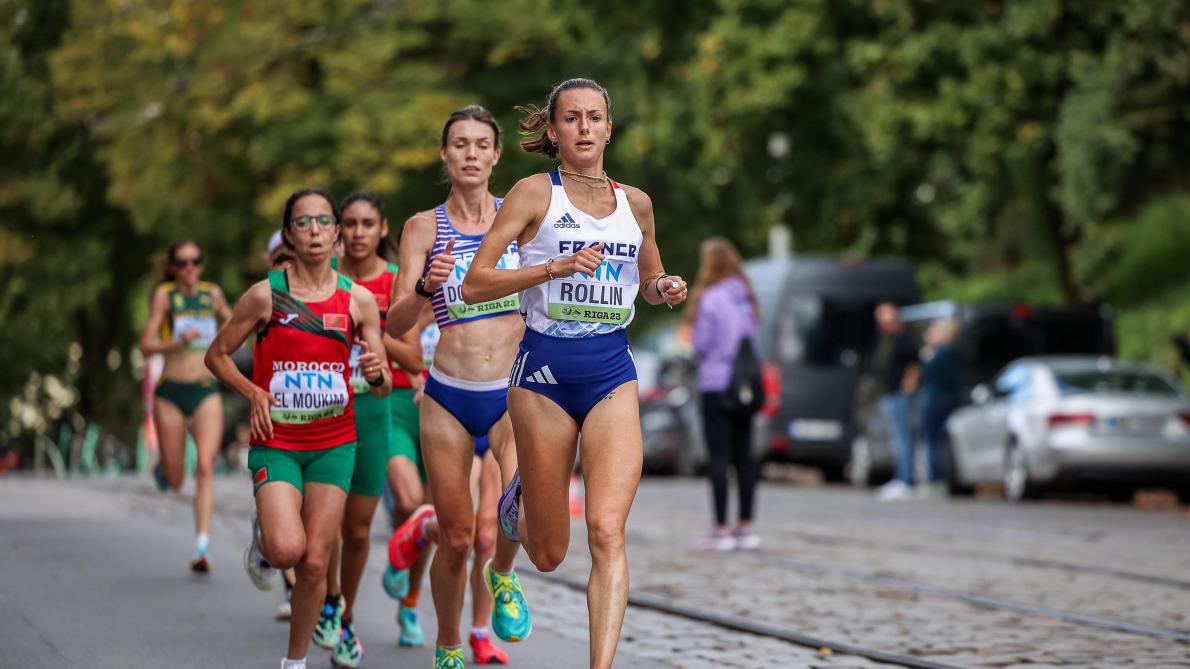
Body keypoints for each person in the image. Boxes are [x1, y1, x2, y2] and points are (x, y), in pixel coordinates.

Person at [461, 78, 688, 669]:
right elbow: (476, 281)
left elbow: (648, 278)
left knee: (608, 531)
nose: (584, 127)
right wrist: (551, 267)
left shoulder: (635, 203)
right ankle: (516, 504)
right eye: (571, 118)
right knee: (548, 553)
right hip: (544, 375)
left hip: (612, 369)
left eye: (594, 117)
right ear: (554, 130)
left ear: (609, 128)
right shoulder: (535, 194)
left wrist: (664, 289)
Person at [205, 188, 392, 669]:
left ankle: (295, 662)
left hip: (335, 442)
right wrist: (253, 393)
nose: (314, 231)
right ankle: (265, 536)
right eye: (303, 223)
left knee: (314, 561)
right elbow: (217, 355)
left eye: (323, 222)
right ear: (289, 235)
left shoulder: (360, 301)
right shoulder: (266, 294)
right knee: (288, 549)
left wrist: (375, 372)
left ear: (336, 235)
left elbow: (384, 381)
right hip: (278, 442)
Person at [385, 106, 526, 668]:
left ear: (496, 156)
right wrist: (424, 287)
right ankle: (448, 645)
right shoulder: (423, 227)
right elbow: (395, 324)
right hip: (448, 396)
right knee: (459, 537)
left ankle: (506, 578)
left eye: (481, 144)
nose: (470, 154)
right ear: (445, 155)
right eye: (459, 144)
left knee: (521, 510)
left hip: (511, 393)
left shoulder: (520, 218)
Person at [310, 192, 424, 667]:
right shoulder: (321, 280)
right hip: (328, 405)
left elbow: (415, 356)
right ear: (339, 231)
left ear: (382, 230)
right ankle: (333, 602)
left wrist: (371, 328)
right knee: (329, 521)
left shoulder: (396, 281)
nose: (358, 233)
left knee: (382, 519)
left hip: (387, 401)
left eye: (367, 224)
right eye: (349, 224)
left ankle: (374, 606)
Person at [138, 240, 232, 573]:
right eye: (183, 262)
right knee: (177, 481)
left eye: (196, 261)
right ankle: (165, 465)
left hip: (206, 389)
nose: (190, 268)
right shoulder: (165, 295)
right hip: (171, 392)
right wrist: (175, 343)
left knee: (205, 466)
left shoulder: (213, 294)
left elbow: (237, 323)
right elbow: (146, 345)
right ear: (172, 267)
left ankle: (202, 546)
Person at [688, 237, 761, 551]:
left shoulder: (711, 298)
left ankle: (721, 529)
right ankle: (745, 526)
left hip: (716, 384)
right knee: (744, 457)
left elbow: (701, 344)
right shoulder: (746, 298)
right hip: (745, 386)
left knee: (718, 457)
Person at [873, 303, 920, 501]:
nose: (884, 325)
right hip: (889, 393)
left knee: (902, 438)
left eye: (887, 320)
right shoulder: (887, 340)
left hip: (899, 395)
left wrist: (907, 387)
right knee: (895, 439)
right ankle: (900, 478)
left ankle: (905, 480)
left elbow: (914, 365)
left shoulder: (904, 340)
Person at [918, 318, 961, 497]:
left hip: (935, 398)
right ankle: (944, 479)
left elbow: (926, 375)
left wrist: (927, 354)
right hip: (951, 398)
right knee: (943, 440)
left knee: (932, 440)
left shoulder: (937, 353)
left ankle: (934, 480)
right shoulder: (958, 353)